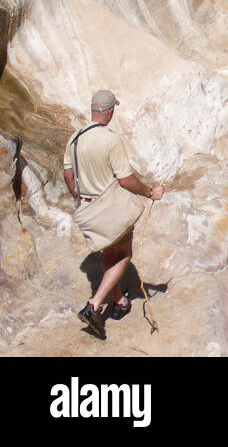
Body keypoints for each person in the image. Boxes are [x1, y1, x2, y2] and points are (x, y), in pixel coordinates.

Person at [63, 89, 164, 340]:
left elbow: (67, 175)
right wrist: (150, 192)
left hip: (87, 207)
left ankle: (119, 302)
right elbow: (126, 180)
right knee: (124, 254)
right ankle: (94, 305)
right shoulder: (110, 140)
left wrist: (80, 198)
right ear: (109, 112)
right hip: (109, 209)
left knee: (110, 252)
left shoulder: (75, 138)